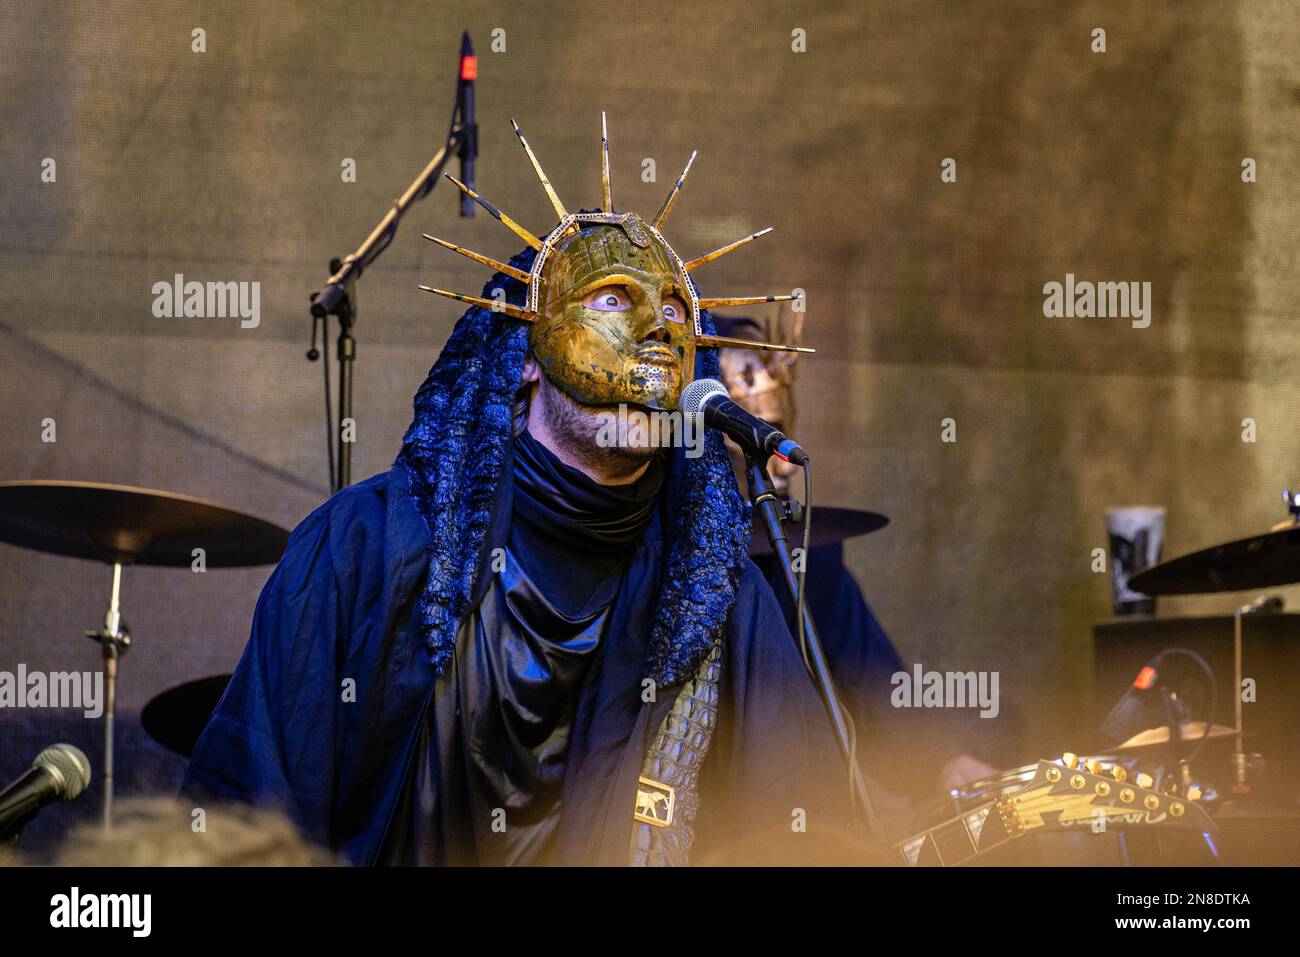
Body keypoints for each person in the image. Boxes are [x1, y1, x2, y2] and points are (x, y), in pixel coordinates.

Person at [182, 118, 865, 866]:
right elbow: (240, 824)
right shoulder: (364, 550)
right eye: (611, 299)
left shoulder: (717, 599)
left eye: (675, 314)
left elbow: (809, 829)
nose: (657, 332)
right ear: (527, 353)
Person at [713, 314, 1000, 800]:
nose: (771, 459)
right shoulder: (664, 559)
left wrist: (944, 760)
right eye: (746, 440)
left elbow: (876, 685)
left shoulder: (811, 559)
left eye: (776, 431)